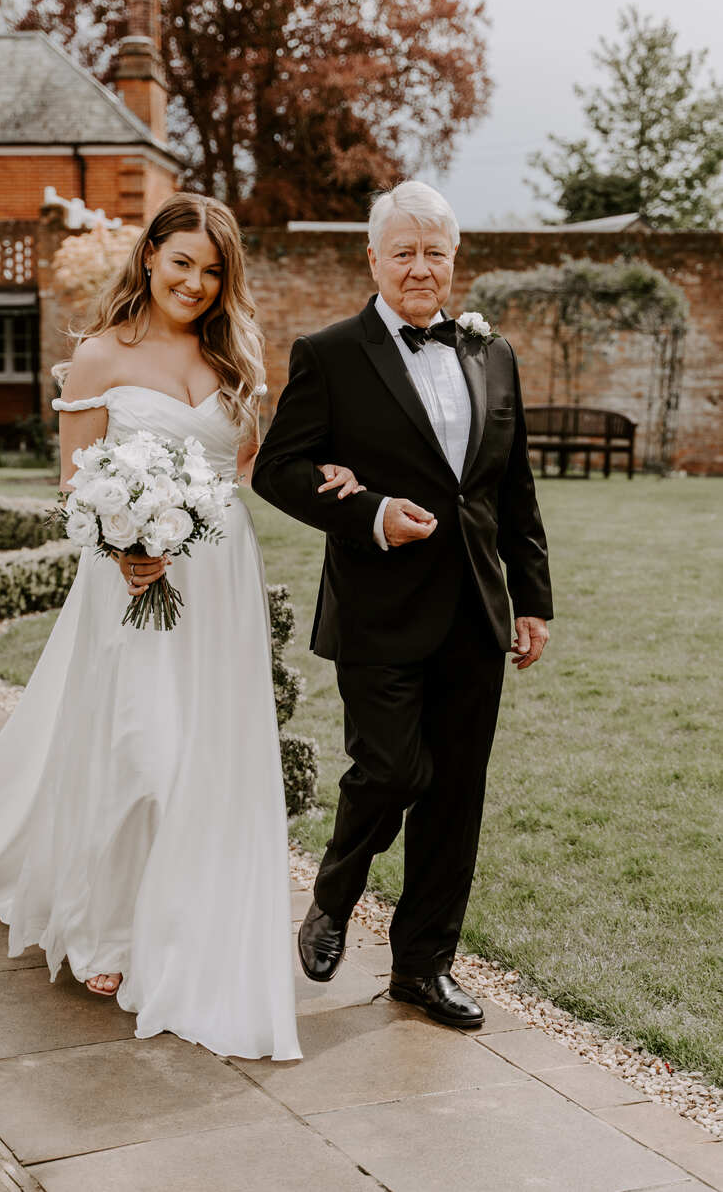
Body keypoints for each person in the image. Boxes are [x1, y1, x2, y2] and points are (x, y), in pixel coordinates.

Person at [0, 192, 361, 1062]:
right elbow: (72, 486)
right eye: (181, 264)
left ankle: (180, 911)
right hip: (128, 582)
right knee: (139, 747)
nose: (196, 283)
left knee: (202, 753)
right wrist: (125, 540)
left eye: (212, 271)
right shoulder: (95, 357)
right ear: (150, 257)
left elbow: (248, 469)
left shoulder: (236, 353)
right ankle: (102, 932)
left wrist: (333, 474)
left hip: (219, 576)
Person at [252, 179, 553, 1029]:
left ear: (454, 259)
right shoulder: (331, 352)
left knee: (455, 796)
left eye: (436, 252)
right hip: (379, 608)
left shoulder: (493, 353)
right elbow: (278, 468)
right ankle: (334, 895)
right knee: (392, 768)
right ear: (373, 259)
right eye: (405, 252)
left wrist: (531, 599)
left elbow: (511, 490)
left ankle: (424, 970)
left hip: (476, 613)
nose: (421, 268)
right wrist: (368, 512)